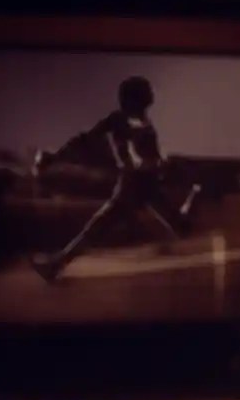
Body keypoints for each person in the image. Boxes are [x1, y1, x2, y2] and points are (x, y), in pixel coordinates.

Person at [30, 75, 200, 283]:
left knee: (178, 226)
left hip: (146, 184)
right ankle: (56, 264)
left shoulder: (145, 122)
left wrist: (159, 163)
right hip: (132, 184)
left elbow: (149, 155)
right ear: (136, 98)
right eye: (148, 92)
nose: (152, 95)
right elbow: (86, 139)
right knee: (97, 227)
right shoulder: (118, 120)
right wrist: (55, 156)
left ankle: (56, 264)